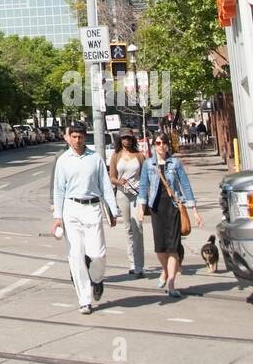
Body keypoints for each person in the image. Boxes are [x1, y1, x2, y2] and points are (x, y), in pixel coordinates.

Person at [52, 121, 117, 314]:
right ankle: (84, 300)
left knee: (97, 253)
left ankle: (96, 279)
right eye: (74, 137)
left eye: (81, 137)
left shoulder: (94, 158)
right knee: (76, 256)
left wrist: (113, 210)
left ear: (85, 138)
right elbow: (58, 190)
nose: (78, 140)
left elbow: (105, 185)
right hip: (71, 208)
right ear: (69, 138)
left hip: (93, 207)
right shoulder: (63, 160)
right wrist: (57, 216)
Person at [137, 133, 203, 297]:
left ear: (168, 145)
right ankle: (165, 270)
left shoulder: (175, 163)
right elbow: (143, 186)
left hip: (174, 207)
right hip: (156, 208)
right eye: (158, 143)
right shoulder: (148, 164)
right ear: (154, 145)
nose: (161, 145)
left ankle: (172, 282)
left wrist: (194, 210)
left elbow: (185, 185)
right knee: (160, 247)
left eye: (164, 142)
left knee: (173, 247)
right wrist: (141, 207)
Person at [109, 132, 146, 277]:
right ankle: (132, 263)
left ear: (133, 140)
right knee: (128, 228)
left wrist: (144, 191)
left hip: (137, 195)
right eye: (124, 138)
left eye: (129, 138)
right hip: (122, 195)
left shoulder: (139, 156)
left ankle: (139, 265)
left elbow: (145, 175)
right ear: (120, 140)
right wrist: (120, 181)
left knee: (138, 227)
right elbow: (112, 177)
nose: (127, 140)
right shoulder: (115, 156)